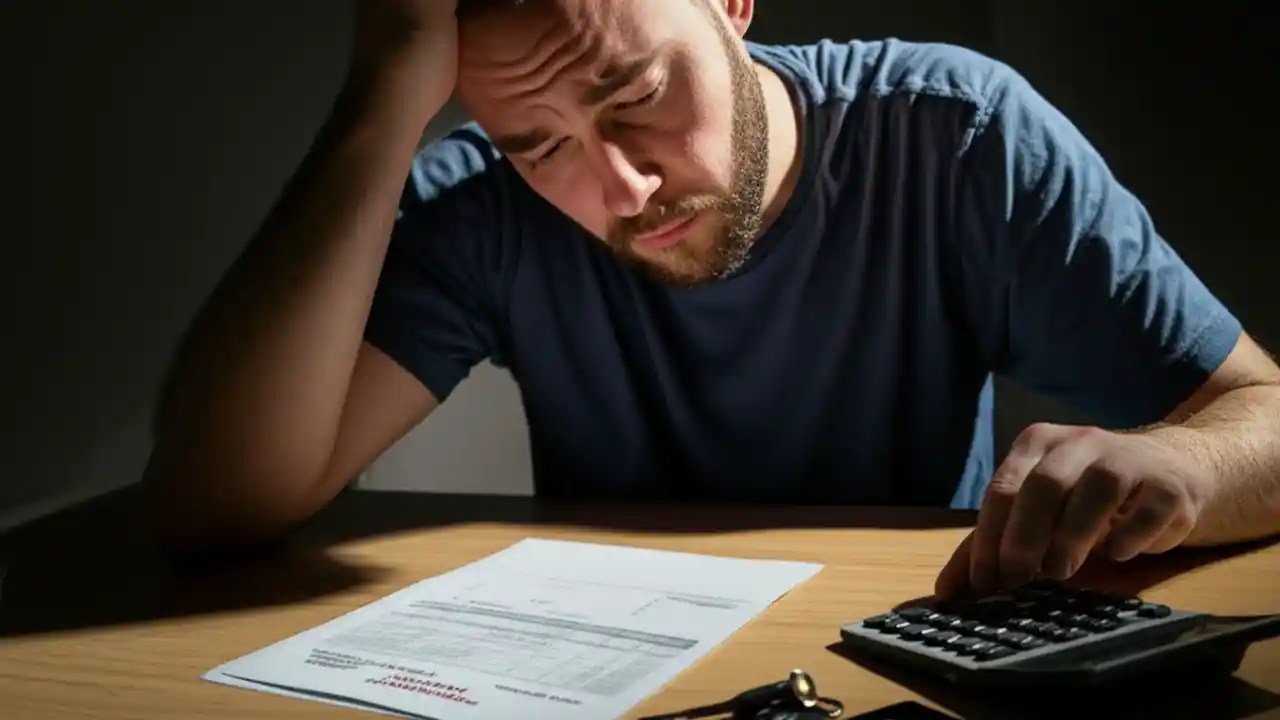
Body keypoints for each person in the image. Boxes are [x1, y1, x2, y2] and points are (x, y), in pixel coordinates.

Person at [146, 0, 1280, 599]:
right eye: (541, 144)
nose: (620, 189)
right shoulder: (488, 209)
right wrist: (382, 96)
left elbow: (1263, 417)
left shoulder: (958, 140)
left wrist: (1180, 463)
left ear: (730, 1)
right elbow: (211, 507)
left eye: (636, 94)